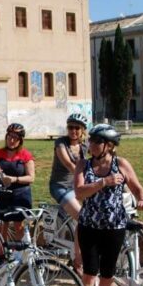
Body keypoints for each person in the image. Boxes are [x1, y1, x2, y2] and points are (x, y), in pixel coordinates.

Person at [74, 124, 143, 286]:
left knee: (107, 275)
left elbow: (137, 187)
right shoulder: (83, 165)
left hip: (114, 227)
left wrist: (142, 198)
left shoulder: (121, 164)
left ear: (109, 145)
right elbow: (79, 192)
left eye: (97, 141)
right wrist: (103, 182)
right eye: (91, 140)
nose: (92, 144)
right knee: (89, 275)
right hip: (89, 227)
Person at [49, 113, 89, 273]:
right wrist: (87, 180)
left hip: (78, 186)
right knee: (83, 218)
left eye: (77, 128)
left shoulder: (85, 146)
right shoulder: (61, 143)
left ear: (82, 130)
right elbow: (69, 164)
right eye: (70, 127)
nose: (73, 131)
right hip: (60, 186)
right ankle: (78, 260)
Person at [0, 123, 35, 240]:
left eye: (15, 138)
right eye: (9, 137)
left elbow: (31, 178)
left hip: (20, 193)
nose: (11, 140)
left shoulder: (25, 155)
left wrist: (15, 179)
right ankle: (2, 252)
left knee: (19, 225)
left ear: (20, 140)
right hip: (3, 192)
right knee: (2, 224)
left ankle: (19, 253)